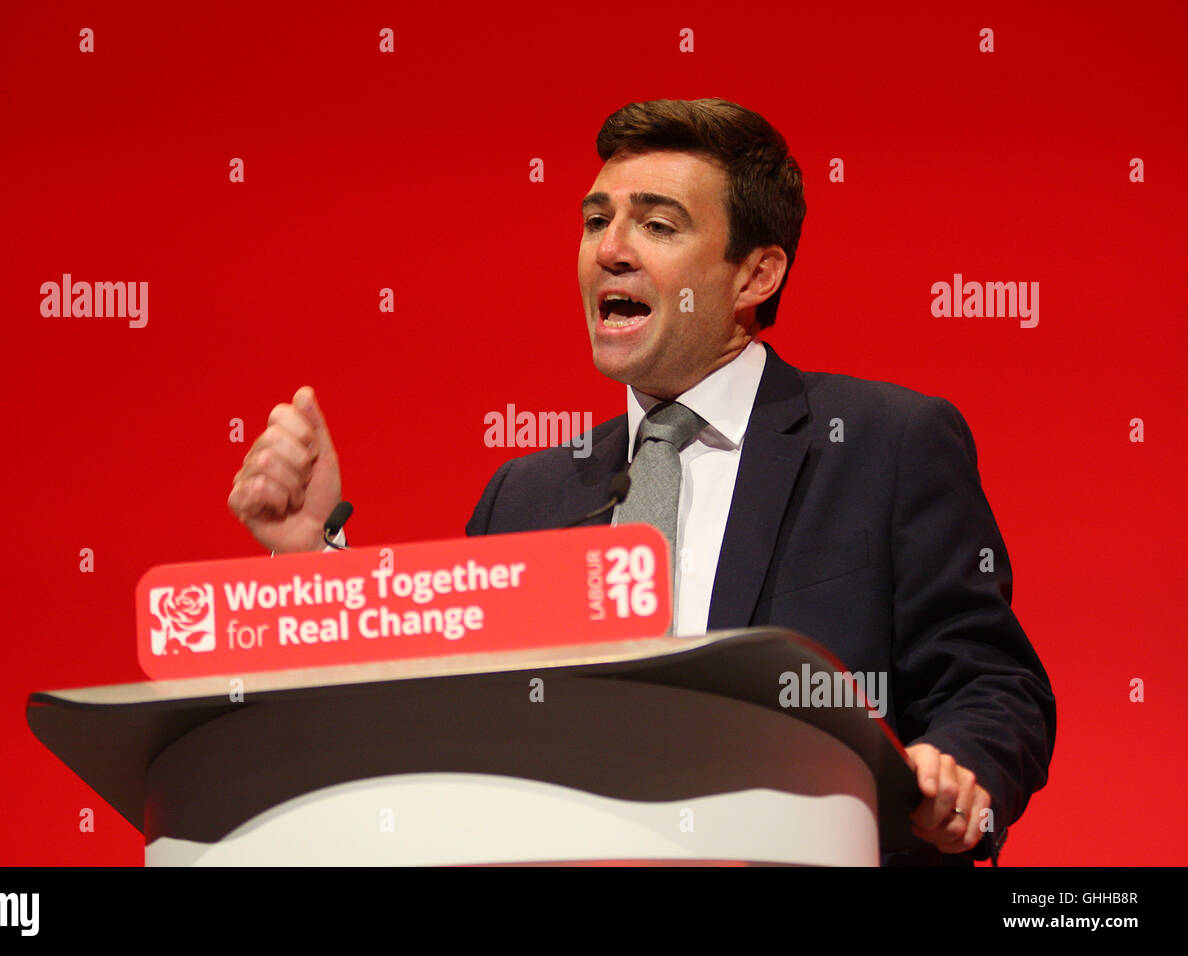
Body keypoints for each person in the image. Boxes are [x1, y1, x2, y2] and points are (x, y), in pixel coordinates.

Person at [227, 98, 1055, 866]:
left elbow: (993, 683)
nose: (609, 248)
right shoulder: (525, 496)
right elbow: (439, 718)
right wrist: (312, 558)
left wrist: (959, 775)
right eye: (595, 220)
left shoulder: (887, 443)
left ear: (756, 276)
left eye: (656, 224)